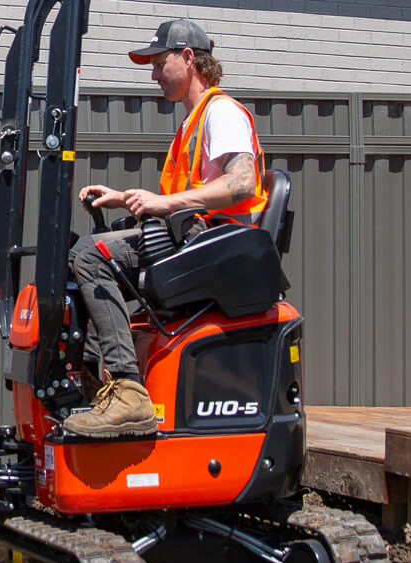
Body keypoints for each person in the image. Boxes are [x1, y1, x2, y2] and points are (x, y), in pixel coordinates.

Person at [60, 18, 270, 438]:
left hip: (213, 243)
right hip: (195, 236)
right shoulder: (195, 121)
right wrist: (126, 198)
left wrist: (165, 202)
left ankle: (128, 393)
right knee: (90, 253)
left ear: (189, 58)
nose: (154, 75)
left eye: (159, 63)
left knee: (90, 256)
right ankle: (94, 383)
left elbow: (243, 182)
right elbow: (188, 194)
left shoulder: (220, 112)